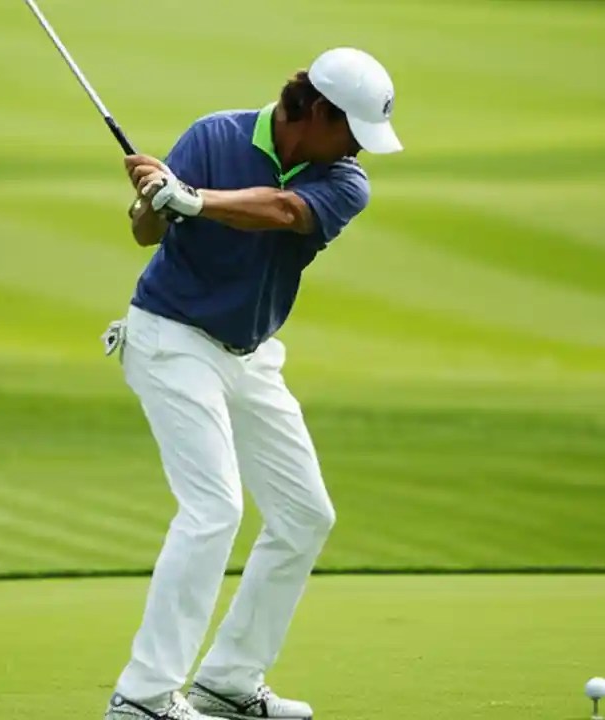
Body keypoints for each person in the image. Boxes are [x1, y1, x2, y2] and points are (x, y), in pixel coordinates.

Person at [101, 47, 403, 720]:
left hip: (250, 353)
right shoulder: (214, 135)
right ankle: (143, 698)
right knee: (214, 510)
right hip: (170, 338)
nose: (358, 149)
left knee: (304, 515)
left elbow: (284, 211)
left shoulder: (346, 182)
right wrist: (155, 198)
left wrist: (195, 198)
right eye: (352, 131)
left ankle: (229, 681)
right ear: (318, 113)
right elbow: (146, 232)